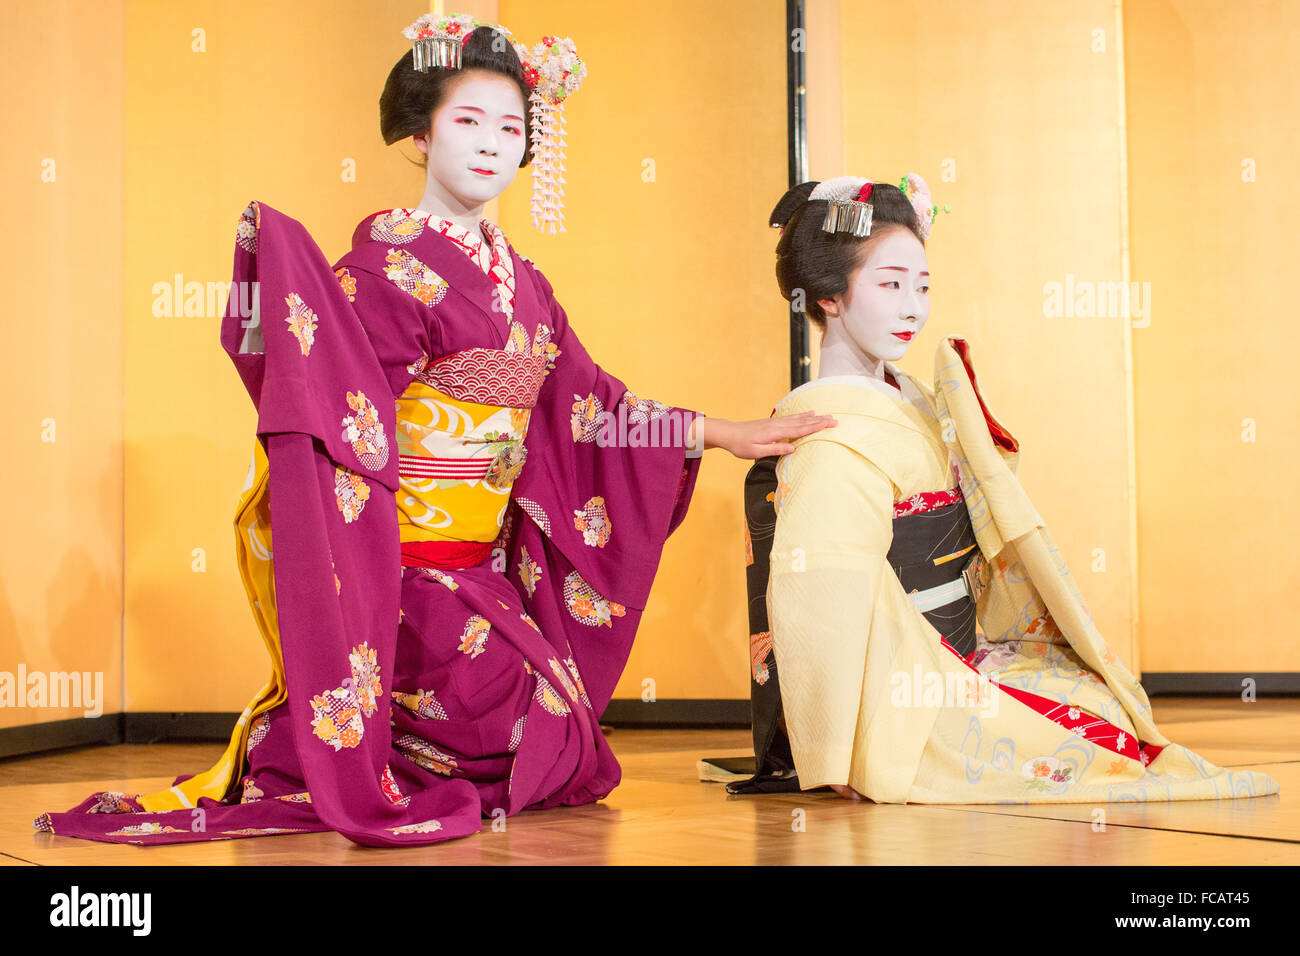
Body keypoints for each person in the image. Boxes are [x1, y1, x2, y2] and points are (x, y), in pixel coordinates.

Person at [32, 13, 834, 847]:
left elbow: (590, 406)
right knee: (508, 730)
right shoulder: (383, 270)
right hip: (403, 577)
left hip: (482, 572)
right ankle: (359, 742)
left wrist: (721, 432)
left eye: (512, 127)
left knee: (569, 748)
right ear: (420, 133)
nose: (492, 144)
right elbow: (346, 432)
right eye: (467, 121)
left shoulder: (526, 285)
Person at [763, 173, 1280, 803]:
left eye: (922, 287)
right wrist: (835, 754)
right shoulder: (829, 434)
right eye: (890, 284)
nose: (912, 308)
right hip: (903, 677)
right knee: (1088, 745)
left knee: (1107, 710)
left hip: (957, 649)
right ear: (828, 296)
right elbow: (823, 595)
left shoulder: (911, 398)